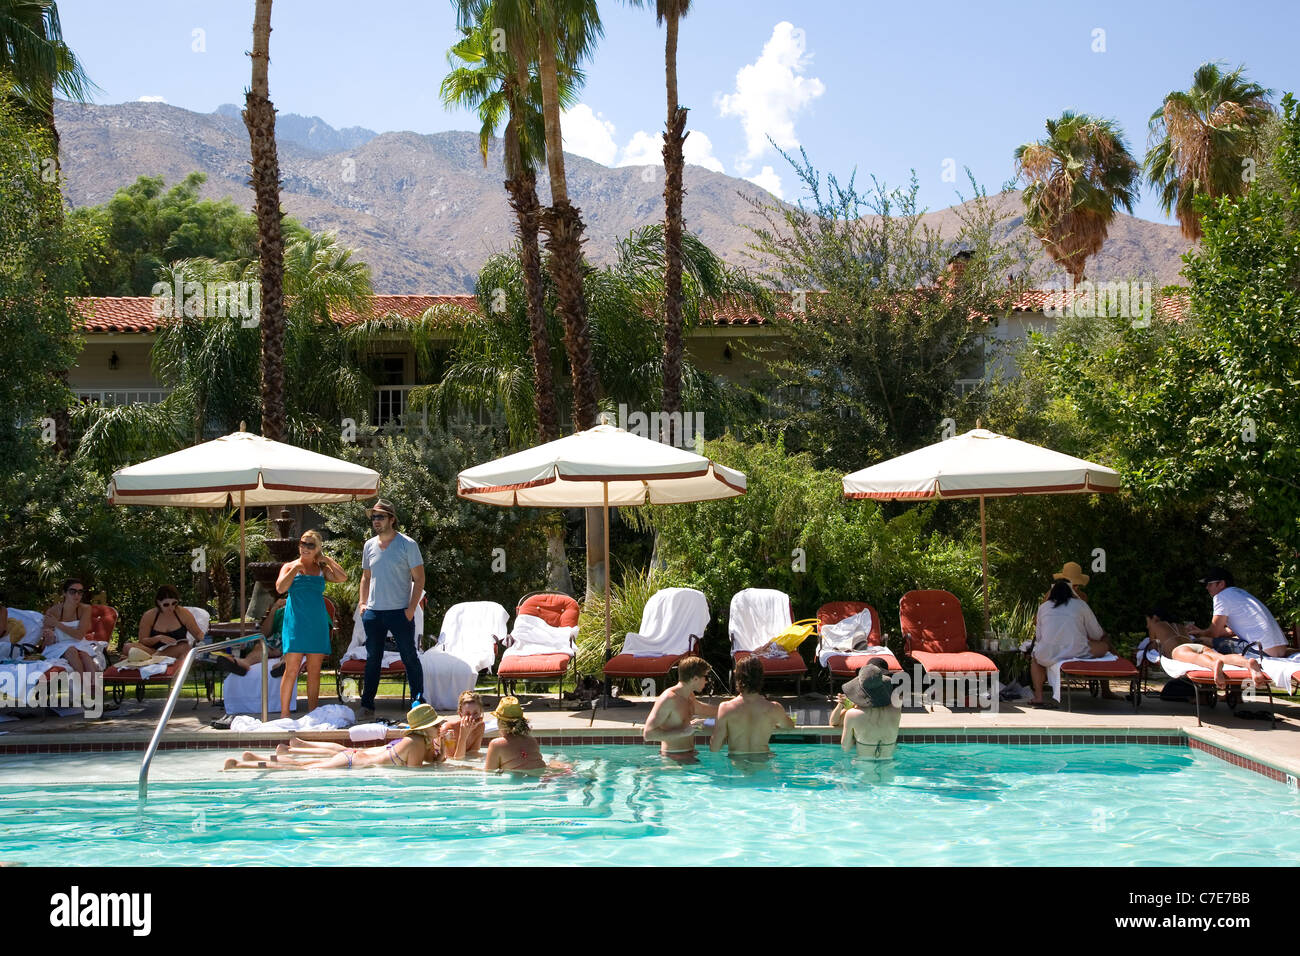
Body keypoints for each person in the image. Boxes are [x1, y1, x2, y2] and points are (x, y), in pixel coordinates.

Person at [223, 704, 446, 771]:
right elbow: (416, 773)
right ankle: (242, 765)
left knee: (306, 764)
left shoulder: (419, 740)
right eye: (435, 725)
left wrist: (442, 744)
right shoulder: (415, 742)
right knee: (302, 768)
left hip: (354, 759)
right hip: (353, 762)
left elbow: (434, 761)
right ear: (424, 729)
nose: (439, 728)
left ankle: (254, 760)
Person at [358, 499, 425, 717]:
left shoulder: (408, 544)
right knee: (373, 659)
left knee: (409, 657)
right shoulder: (369, 545)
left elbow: (420, 579)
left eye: (380, 517)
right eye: (373, 517)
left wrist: (411, 609)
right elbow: (365, 577)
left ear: (392, 519)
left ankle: (418, 701)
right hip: (374, 613)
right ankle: (367, 704)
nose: (375, 521)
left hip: (400, 612)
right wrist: (362, 603)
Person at [277, 530, 348, 719]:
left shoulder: (320, 568)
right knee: (291, 669)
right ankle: (285, 715)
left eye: (310, 545)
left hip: (316, 624)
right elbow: (280, 588)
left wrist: (329, 561)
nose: (305, 548)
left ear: (317, 549)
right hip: (296, 624)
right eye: (303, 543)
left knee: (314, 671)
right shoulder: (289, 566)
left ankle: (313, 713)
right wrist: (295, 569)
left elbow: (342, 577)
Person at [1027, 579, 1110, 708]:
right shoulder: (1081, 605)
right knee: (1104, 646)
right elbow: (1096, 633)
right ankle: (1106, 688)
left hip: (1048, 653)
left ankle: (1038, 696)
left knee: (1035, 659)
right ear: (1072, 591)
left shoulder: (1043, 607)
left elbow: (1039, 637)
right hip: (1077, 651)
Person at [1146, 606, 1267, 692]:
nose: (1147, 624)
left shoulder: (1155, 626)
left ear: (1154, 618)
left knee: (1197, 658)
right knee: (1222, 657)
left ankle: (1214, 665)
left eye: (1148, 621)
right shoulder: (1180, 625)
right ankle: (1247, 662)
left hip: (1178, 649)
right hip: (1197, 645)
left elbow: (1152, 646)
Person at [1188, 567, 1289, 658]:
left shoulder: (1221, 596)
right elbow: (1231, 631)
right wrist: (1203, 631)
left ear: (1221, 584)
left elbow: (1214, 633)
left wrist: (1201, 633)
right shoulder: (1241, 593)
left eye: (1210, 584)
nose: (1207, 587)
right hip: (1281, 650)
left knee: (1205, 641)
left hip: (1262, 651)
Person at [709, 655, 795, 759]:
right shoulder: (774, 708)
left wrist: (727, 730)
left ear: (737, 677)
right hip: (763, 763)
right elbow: (789, 726)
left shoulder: (726, 708)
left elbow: (714, 748)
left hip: (737, 764)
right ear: (760, 678)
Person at [642, 656, 718, 760]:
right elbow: (648, 734)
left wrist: (734, 709)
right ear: (695, 679)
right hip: (673, 759)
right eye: (706, 677)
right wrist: (683, 732)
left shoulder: (689, 696)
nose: (707, 681)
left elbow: (702, 709)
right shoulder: (668, 699)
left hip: (690, 755)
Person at [830, 659, 901, 760]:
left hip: (864, 763)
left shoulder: (852, 714)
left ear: (859, 690)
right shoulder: (896, 709)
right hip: (888, 761)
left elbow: (846, 747)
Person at [483, 697, 570, 774]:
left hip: (523, 779)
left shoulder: (496, 744)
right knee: (554, 762)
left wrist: (470, 768)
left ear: (500, 722)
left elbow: (489, 772)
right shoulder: (531, 740)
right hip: (544, 774)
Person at [122, 586, 204, 662]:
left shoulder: (183, 613)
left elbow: (197, 633)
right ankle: (156, 658)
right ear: (158, 602)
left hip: (175, 651)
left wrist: (201, 637)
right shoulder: (149, 616)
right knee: (127, 647)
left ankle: (151, 659)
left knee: (185, 648)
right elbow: (143, 641)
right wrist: (158, 638)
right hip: (153, 651)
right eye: (166, 604)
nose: (171, 608)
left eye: (174, 603)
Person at [39, 579, 98, 675]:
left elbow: (79, 635)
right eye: (72, 591)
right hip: (59, 646)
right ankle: (84, 683)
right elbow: (47, 644)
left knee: (85, 655)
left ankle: (93, 687)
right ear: (64, 593)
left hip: (79, 643)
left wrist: (57, 624)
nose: (76, 595)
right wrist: (49, 636)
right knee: (71, 650)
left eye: (80, 592)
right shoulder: (52, 611)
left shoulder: (85, 609)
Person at [441, 690, 487, 760]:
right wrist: (463, 735)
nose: (472, 717)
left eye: (475, 713)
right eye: (467, 714)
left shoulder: (480, 726)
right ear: (460, 714)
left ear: (480, 712)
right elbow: (455, 760)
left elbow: (473, 753)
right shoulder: (448, 730)